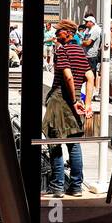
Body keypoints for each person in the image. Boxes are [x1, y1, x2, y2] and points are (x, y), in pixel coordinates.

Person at [43, 20, 86, 198]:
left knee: (55, 142)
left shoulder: (62, 50)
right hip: (75, 98)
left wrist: (74, 100)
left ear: (68, 33)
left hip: (60, 99)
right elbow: (90, 76)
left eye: (59, 31)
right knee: (74, 143)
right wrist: (86, 102)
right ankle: (76, 186)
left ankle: (58, 186)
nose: (56, 33)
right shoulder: (81, 51)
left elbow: (67, 76)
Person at [81, 14, 103, 98]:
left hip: (92, 56)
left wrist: (82, 42)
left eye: (86, 21)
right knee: (86, 76)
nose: (85, 23)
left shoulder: (95, 30)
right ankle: (86, 93)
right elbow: (84, 40)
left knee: (90, 76)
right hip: (87, 55)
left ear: (91, 22)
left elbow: (87, 42)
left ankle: (90, 94)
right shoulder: (89, 29)